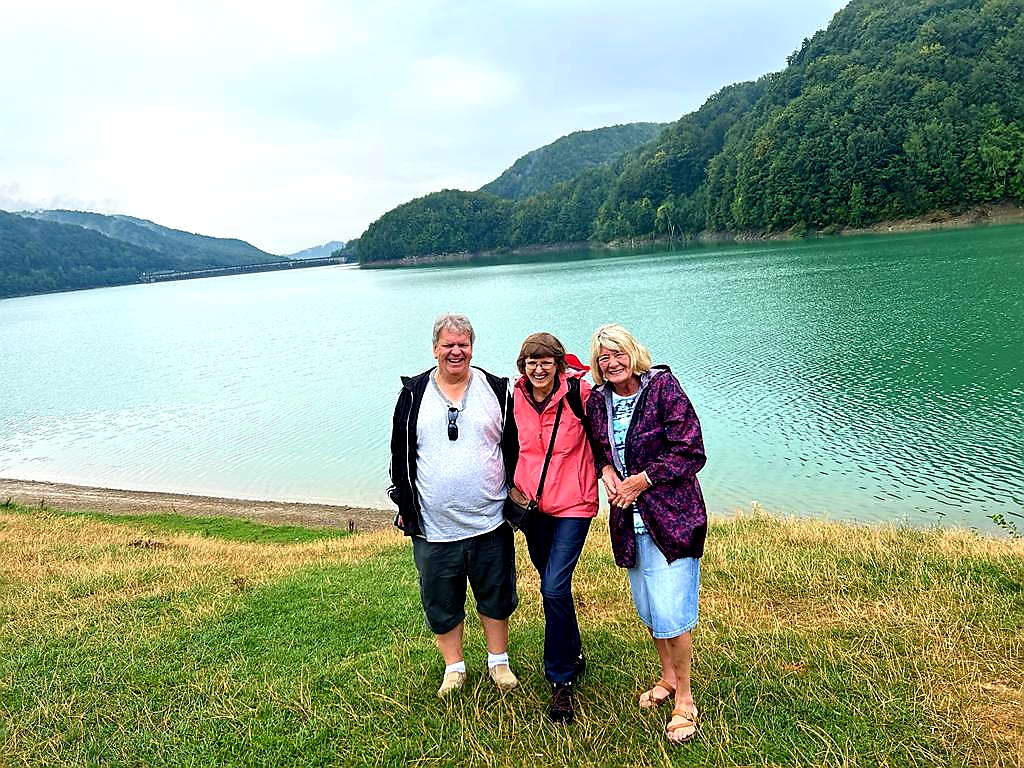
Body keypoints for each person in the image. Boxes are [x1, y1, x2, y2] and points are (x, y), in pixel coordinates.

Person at [585, 323, 708, 744]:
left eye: (618, 353)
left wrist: (642, 480)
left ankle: (685, 699)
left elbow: (691, 450)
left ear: (633, 353)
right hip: (627, 520)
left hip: (671, 518)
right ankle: (668, 677)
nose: (612, 363)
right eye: (603, 357)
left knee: (672, 613)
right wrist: (606, 472)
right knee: (651, 609)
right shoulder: (598, 401)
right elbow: (599, 448)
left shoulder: (663, 389)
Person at [388, 313, 520, 697]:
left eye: (463, 344)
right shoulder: (413, 394)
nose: (456, 351)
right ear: (435, 349)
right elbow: (400, 453)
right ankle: (454, 668)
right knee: (441, 600)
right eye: (448, 345)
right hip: (433, 526)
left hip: (490, 520)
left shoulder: (496, 389)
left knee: (496, 594)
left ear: (472, 348)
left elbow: (513, 447)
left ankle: (498, 662)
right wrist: (404, 502)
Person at [509, 332, 598, 724]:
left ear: (559, 364)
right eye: (531, 362)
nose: (538, 368)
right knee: (554, 586)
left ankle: (561, 680)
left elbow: (612, 430)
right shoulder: (512, 398)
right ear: (523, 366)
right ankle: (573, 652)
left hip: (574, 506)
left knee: (553, 588)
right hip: (533, 510)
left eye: (546, 361)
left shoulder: (581, 395)